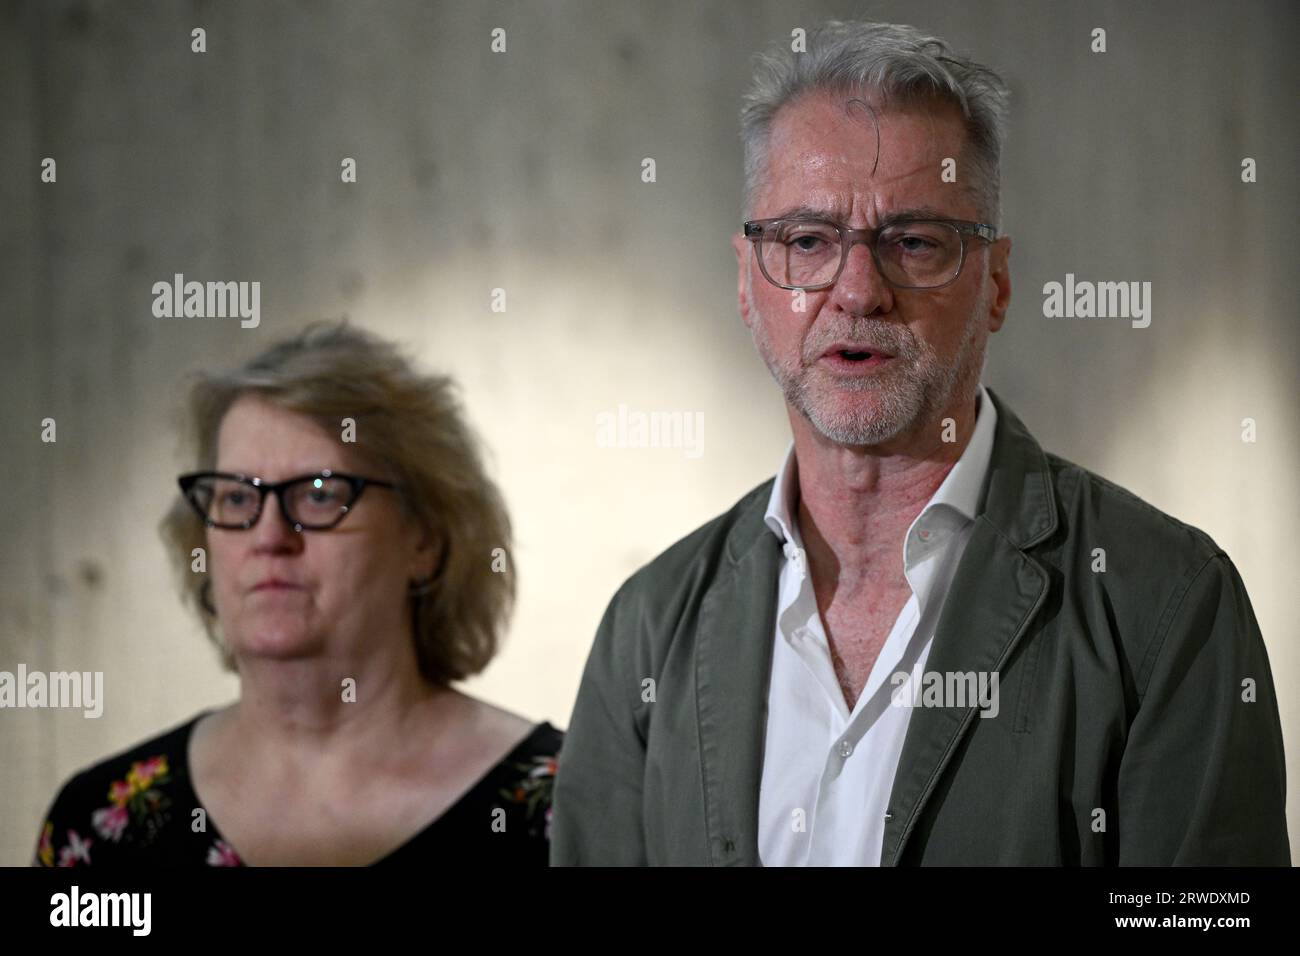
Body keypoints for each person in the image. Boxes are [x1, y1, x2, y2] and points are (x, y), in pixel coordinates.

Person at [551, 19, 1289, 865]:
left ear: (998, 284)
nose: (858, 291)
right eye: (807, 241)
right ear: (748, 285)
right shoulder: (648, 626)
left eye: (914, 242)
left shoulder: (1164, 604)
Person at [35, 321, 560, 866]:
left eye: (318, 495)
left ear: (423, 536)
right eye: (237, 499)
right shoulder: (102, 828)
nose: (270, 537)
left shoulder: (565, 810)